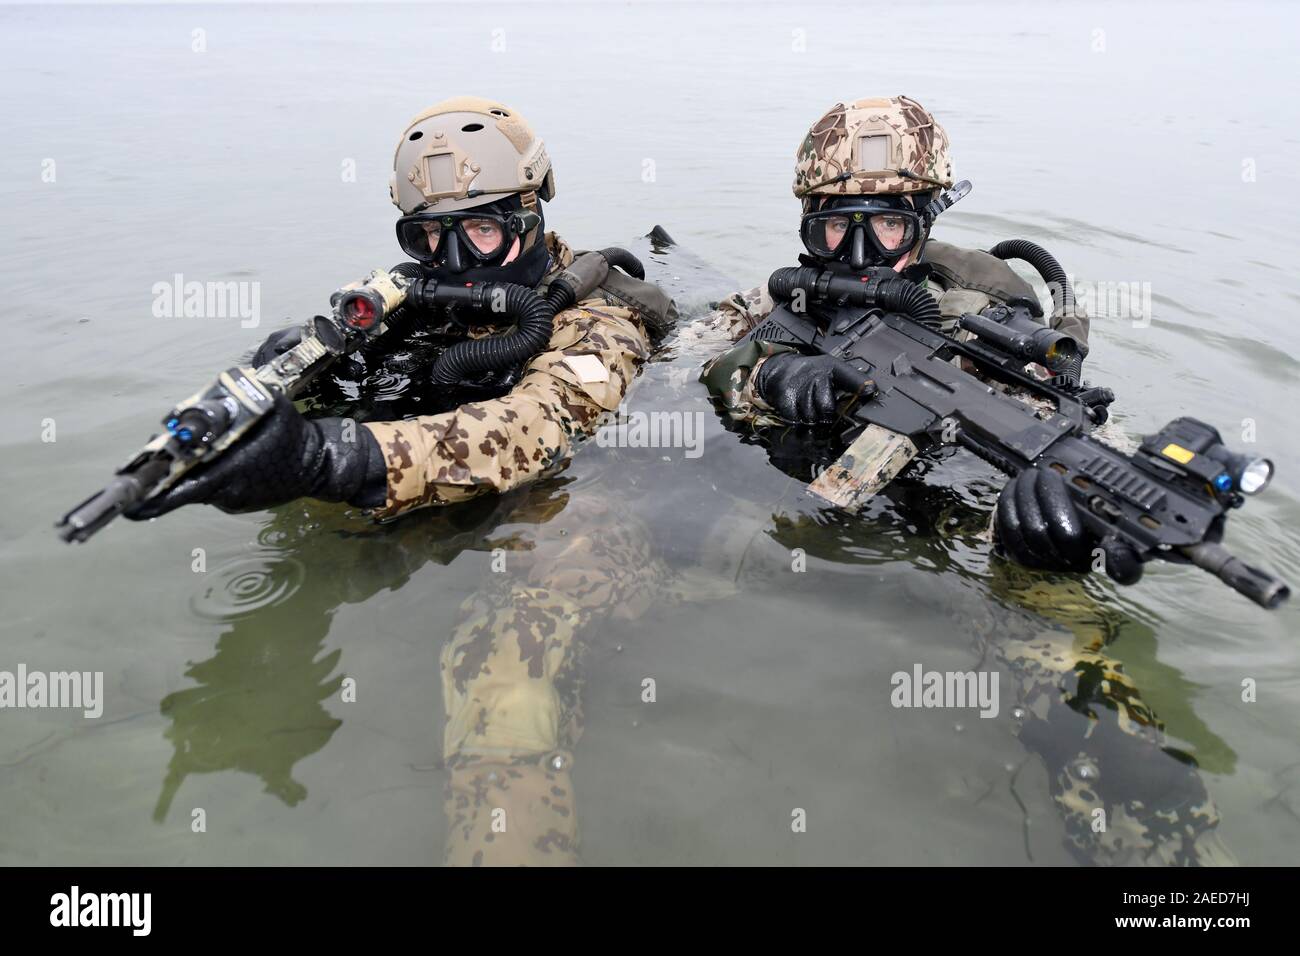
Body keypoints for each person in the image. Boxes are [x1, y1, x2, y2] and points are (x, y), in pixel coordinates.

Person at [697, 95, 1234, 865]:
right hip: (787, 519)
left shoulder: (985, 322)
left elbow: (1053, 429)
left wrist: (1059, 520)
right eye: (833, 225)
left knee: (1095, 714)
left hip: (957, 525)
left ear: (925, 221)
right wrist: (763, 385)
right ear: (806, 223)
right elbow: (684, 368)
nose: (859, 251)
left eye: (886, 224)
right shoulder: (771, 305)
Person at [125, 96, 675, 524]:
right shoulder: (407, 295)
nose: (454, 260)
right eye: (431, 234)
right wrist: (289, 374)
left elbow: (541, 425)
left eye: (484, 230)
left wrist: (332, 460)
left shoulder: (599, 321)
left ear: (529, 217)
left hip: (543, 498)